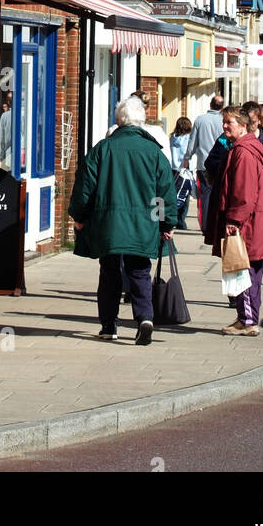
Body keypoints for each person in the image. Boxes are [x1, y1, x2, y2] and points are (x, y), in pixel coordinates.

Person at [69, 96, 176, 345]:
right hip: (143, 223)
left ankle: (109, 326)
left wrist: (80, 216)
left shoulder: (102, 149)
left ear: (118, 120)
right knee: (139, 271)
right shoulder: (154, 153)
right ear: (141, 121)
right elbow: (163, 194)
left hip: (108, 224)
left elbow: (85, 188)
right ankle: (144, 318)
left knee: (109, 273)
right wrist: (164, 223)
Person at [205, 107, 263, 335]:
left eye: (229, 122)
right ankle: (244, 318)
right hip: (256, 222)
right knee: (248, 272)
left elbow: (244, 193)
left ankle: (248, 321)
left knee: (244, 272)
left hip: (250, 225)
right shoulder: (243, 148)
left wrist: (234, 220)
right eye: (224, 122)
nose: (225, 126)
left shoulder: (244, 153)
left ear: (243, 125)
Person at [182, 96, 224, 232]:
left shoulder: (200, 119)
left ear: (210, 104)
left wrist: (187, 157)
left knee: (205, 196)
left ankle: (206, 226)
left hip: (204, 164)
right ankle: (217, 224)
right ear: (222, 106)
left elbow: (192, 141)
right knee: (219, 195)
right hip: (220, 163)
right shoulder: (226, 120)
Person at [170, 116, 194, 230]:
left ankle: (173, 217)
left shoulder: (172, 138)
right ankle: (181, 220)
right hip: (185, 170)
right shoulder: (189, 138)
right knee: (185, 195)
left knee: (174, 194)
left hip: (173, 168)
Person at [0, 97, 12, 171]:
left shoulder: (5, 116)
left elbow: (1, 139)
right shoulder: (25, 114)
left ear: (8, 103)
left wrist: (0, 157)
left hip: (9, 158)